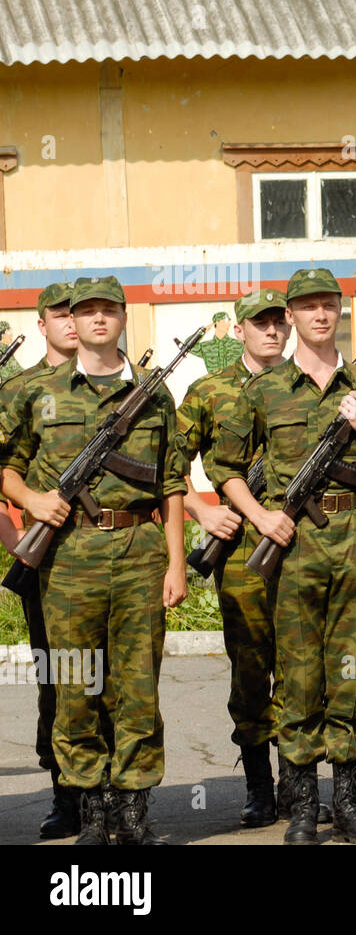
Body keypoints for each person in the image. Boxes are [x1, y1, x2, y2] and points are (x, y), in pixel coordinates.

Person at [210, 267, 356, 845]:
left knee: (348, 670)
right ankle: (302, 805)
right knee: (296, 674)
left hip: (353, 540)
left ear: (340, 311)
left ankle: (347, 801)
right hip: (291, 548)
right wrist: (262, 516)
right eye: (308, 306)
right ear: (289, 315)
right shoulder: (262, 391)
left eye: (329, 305)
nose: (321, 315)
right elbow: (225, 469)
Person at [1, 275, 189, 844]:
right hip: (66, 558)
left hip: (137, 553)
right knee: (75, 684)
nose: (98, 320)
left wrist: (177, 564)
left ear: (124, 318)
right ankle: (88, 810)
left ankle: (133, 812)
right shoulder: (32, 392)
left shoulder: (153, 395)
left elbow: (172, 485)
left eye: (109, 310)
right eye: (87, 313)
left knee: (137, 687)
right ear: (72, 323)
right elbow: (5, 465)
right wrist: (31, 500)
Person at [175, 287, 300, 828]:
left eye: (278, 321)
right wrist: (203, 513)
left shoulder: (307, 386)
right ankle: (258, 786)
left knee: (300, 665)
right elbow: (166, 461)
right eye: (260, 323)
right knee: (251, 665)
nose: (271, 331)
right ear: (240, 329)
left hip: (300, 543)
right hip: (240, 550)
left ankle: (299, 783)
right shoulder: (210, 390)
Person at [0, 282, 85, 838]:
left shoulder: (121, 385)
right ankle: (64, 794)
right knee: (57, 678)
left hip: (110, 559)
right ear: (41, 323)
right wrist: (18, 545)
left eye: (80, 313)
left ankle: (111, 798)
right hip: (46, 562)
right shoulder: (20, 390)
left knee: (108, 683)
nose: (73, 323)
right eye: (61, 314)